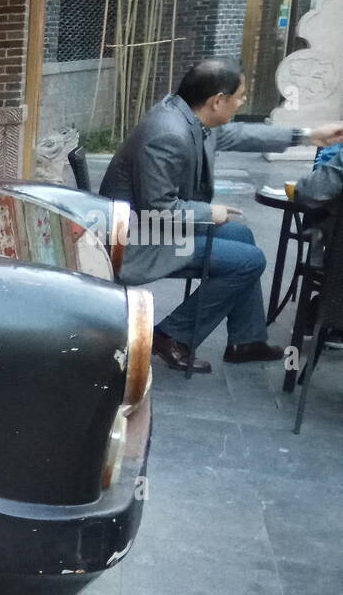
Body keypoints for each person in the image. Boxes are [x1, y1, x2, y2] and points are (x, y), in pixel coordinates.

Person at [100, 59, 343, 373]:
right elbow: (157, 210)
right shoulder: (168, 134)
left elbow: (239, 135)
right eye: (239, 97)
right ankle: (170, 335)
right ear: (217, 101)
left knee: (242, 237)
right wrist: (207, 212)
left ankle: (246, 340)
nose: (241, 103)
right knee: (249, 260)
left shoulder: (190, 116)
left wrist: (308, 136)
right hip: (134, 239)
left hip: (154, 228)